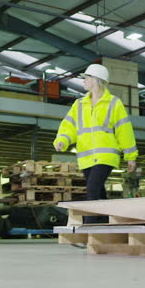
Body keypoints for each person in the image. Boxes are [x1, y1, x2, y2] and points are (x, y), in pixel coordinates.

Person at [54, 64, 138, 223]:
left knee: (92, 190)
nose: (84, 81)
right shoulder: (79, 104)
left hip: (106, 156)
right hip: (86, 157)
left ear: (96, 80)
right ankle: (107, 226)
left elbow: (124, 130)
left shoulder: (114, 103)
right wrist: (62, 140)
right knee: (99, 193)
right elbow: (69, 126)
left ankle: (88, 230)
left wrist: (130, 156)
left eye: (86, 78)